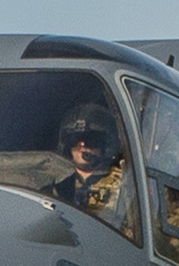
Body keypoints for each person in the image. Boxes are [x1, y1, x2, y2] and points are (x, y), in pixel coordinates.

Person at [53, 96, 134, 226]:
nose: (82, 145)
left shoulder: (124, 182)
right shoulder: (53, 177)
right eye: (73, 138)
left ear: (106, 145)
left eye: (91, 139)